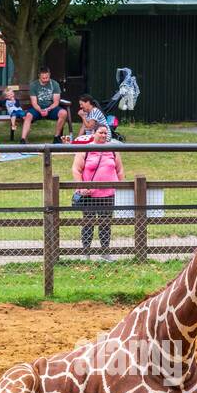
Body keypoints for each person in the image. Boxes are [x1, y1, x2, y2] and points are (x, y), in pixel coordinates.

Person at [71, 124, 122, 259]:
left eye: (106, 133)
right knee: (88, 223)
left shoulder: (113, 150)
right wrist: (81, 187)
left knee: (105, 224)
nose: (104, 135)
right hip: (89, 195)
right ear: (94, 133)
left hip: (107, 194)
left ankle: (105, 252)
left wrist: (122, 187)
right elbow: (76, 170)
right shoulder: (85, 149)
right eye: (101, 133)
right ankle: (86, 253)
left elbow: (120, 170)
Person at [21, 67, 68, 143]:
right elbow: (34, 103)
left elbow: (56, 102)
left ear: (49, 75)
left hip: (51, 108)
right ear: (39, 76)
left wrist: (48, 109)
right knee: (28, 116)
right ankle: (23, 139)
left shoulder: (55, 84)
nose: (45, 79)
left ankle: (56, 137)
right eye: (43, 78)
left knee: (64, 113)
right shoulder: (34, 85)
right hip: (37, 108)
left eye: (47, 77)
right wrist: (40, 110)